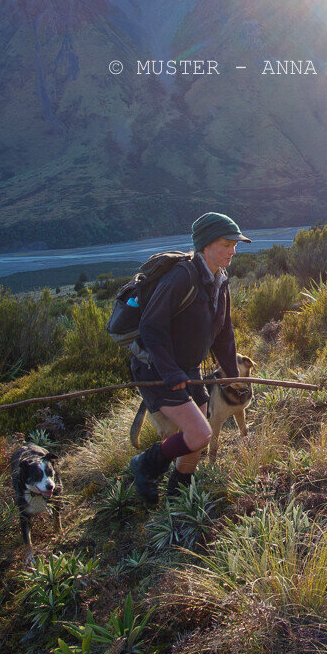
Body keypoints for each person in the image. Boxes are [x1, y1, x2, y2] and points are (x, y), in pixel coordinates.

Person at [129, 212, 251, 504]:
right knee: (199, 433)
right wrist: (171, 374)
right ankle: (145, 465)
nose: (233, 251)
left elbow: (224, 333)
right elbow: (151, 327)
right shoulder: (181, 277)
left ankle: (178, 492)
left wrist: (231, 374)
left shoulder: (220, 281)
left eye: (236, 244)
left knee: (200, 430)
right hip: (156, 369)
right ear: (206, 245)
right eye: (226, 244)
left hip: (188, 369)